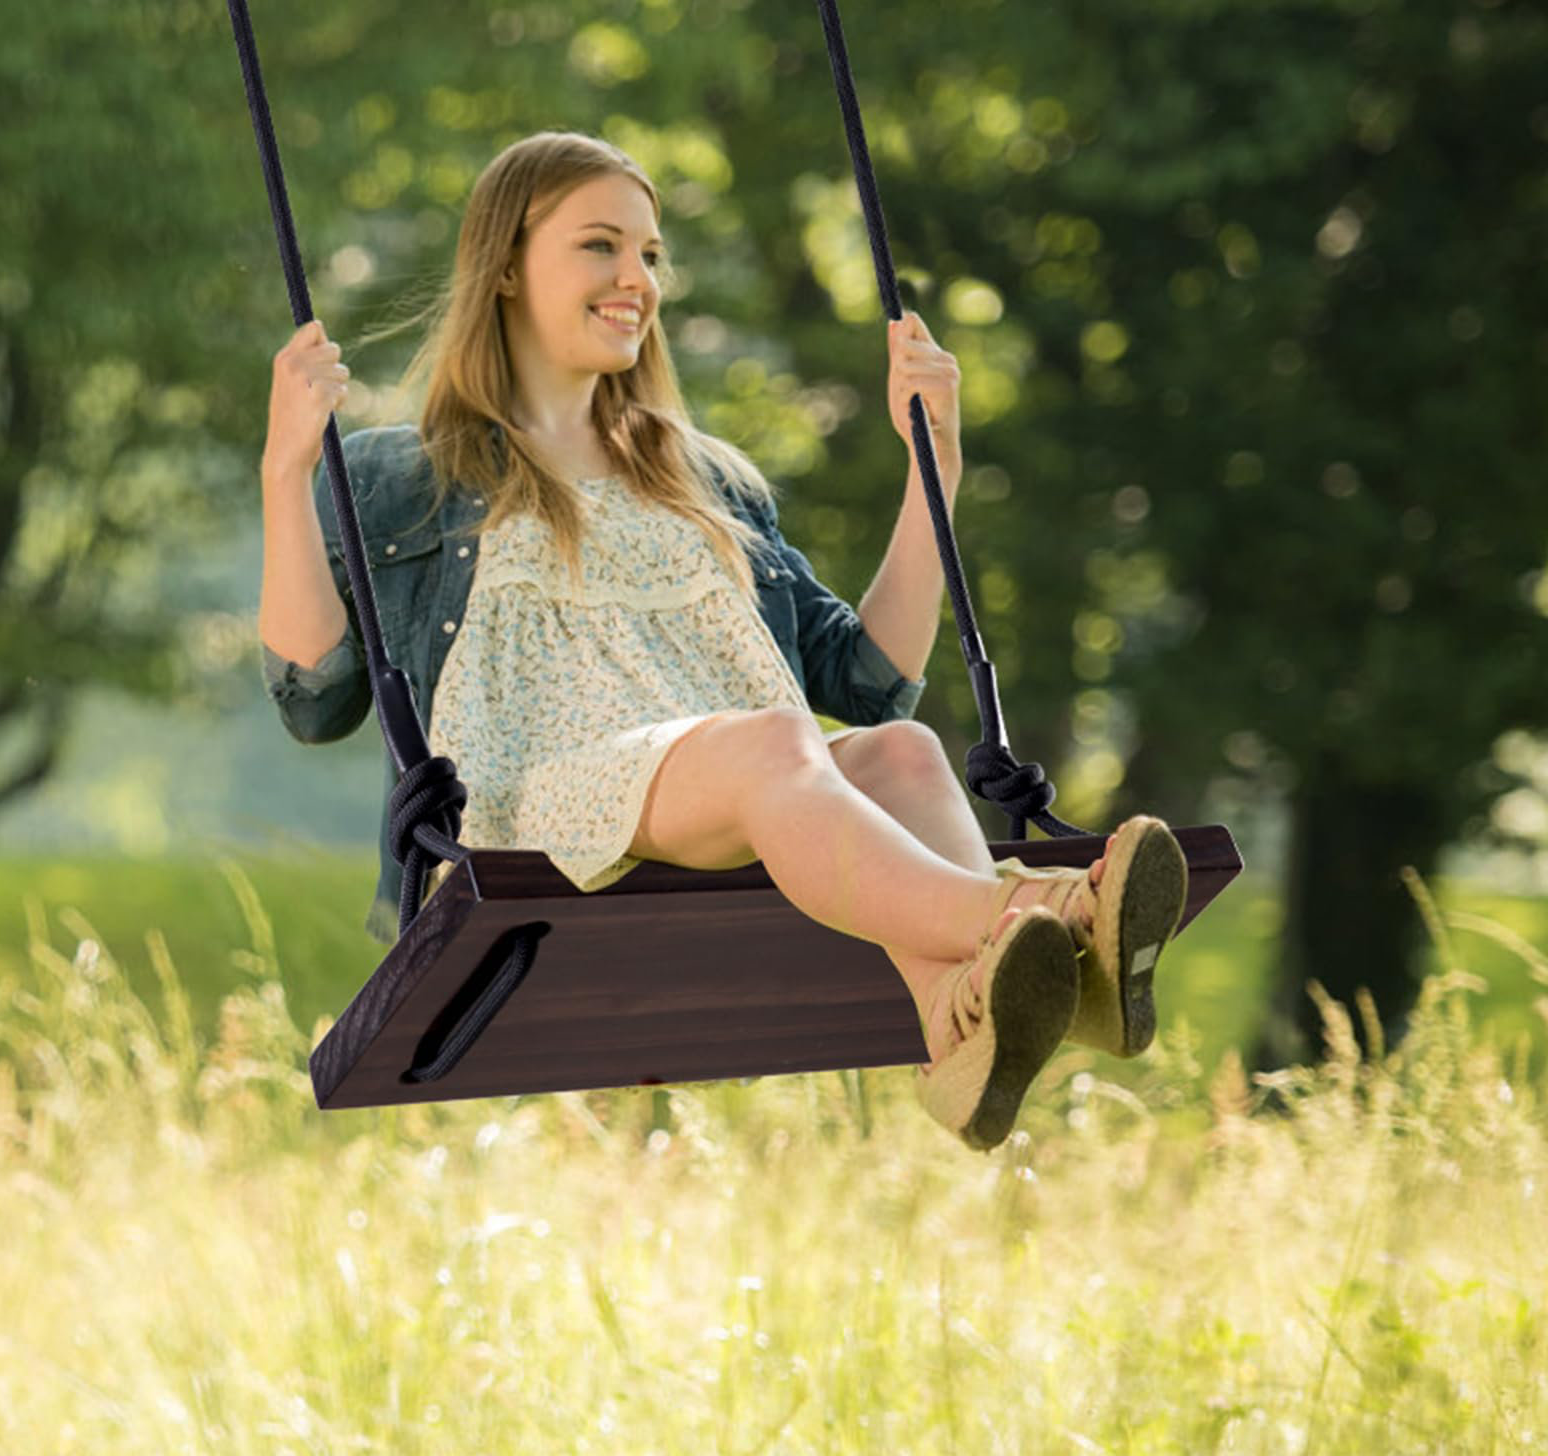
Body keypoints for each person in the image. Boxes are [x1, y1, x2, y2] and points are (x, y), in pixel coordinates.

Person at [257, 130, 1188, 1152]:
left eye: (650, 255)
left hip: (717, 776)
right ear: (508, 267)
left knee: (903, 752)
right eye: (600, 246)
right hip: (544, 798)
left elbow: (869, 684)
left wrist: (937, 472)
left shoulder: (705, 477)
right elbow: (313, 696)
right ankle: (1042, 921)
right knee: (771, 744)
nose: (635, 280)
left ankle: (953, 1034)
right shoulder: (405, 473)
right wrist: (285, 473)